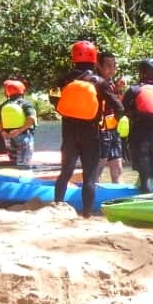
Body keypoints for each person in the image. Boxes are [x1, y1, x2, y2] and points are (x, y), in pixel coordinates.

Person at [51, 40, 123, 218]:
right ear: (94, 58)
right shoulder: (99, 82)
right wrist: (113, 120)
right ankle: (87, 215)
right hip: (91, 132)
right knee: (89, 177)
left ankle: (58, 205)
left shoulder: (63, 79)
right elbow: (119, 107)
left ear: (73, 57)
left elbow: (53, 100)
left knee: (65, 171)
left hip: (68, 131)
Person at [121, 58, 153, 193]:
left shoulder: (135, 89)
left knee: (144, 176)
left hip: (141, 137)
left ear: (142, 73)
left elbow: (122, 110)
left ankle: (147, 202)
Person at [93, 51, 125, 183]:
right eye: (108, 66)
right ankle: (92, 192)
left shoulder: (112, 84)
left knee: (117, 166)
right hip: (100, 132)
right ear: (98, 66)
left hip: (113, 131)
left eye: (114, 66)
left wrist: (117, 90)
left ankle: (121, 196)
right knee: (98, 166)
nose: (112, 69)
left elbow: (118, 106)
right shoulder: (95, 84)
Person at [0, 78, 37, 165]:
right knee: (24, 163)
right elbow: (32, 119)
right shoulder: (26, 104)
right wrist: (19, 131)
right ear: (22, 90)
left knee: (12, 162)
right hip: (23, 135)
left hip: (8, 136)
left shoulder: (3, 105)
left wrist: (2, 132)